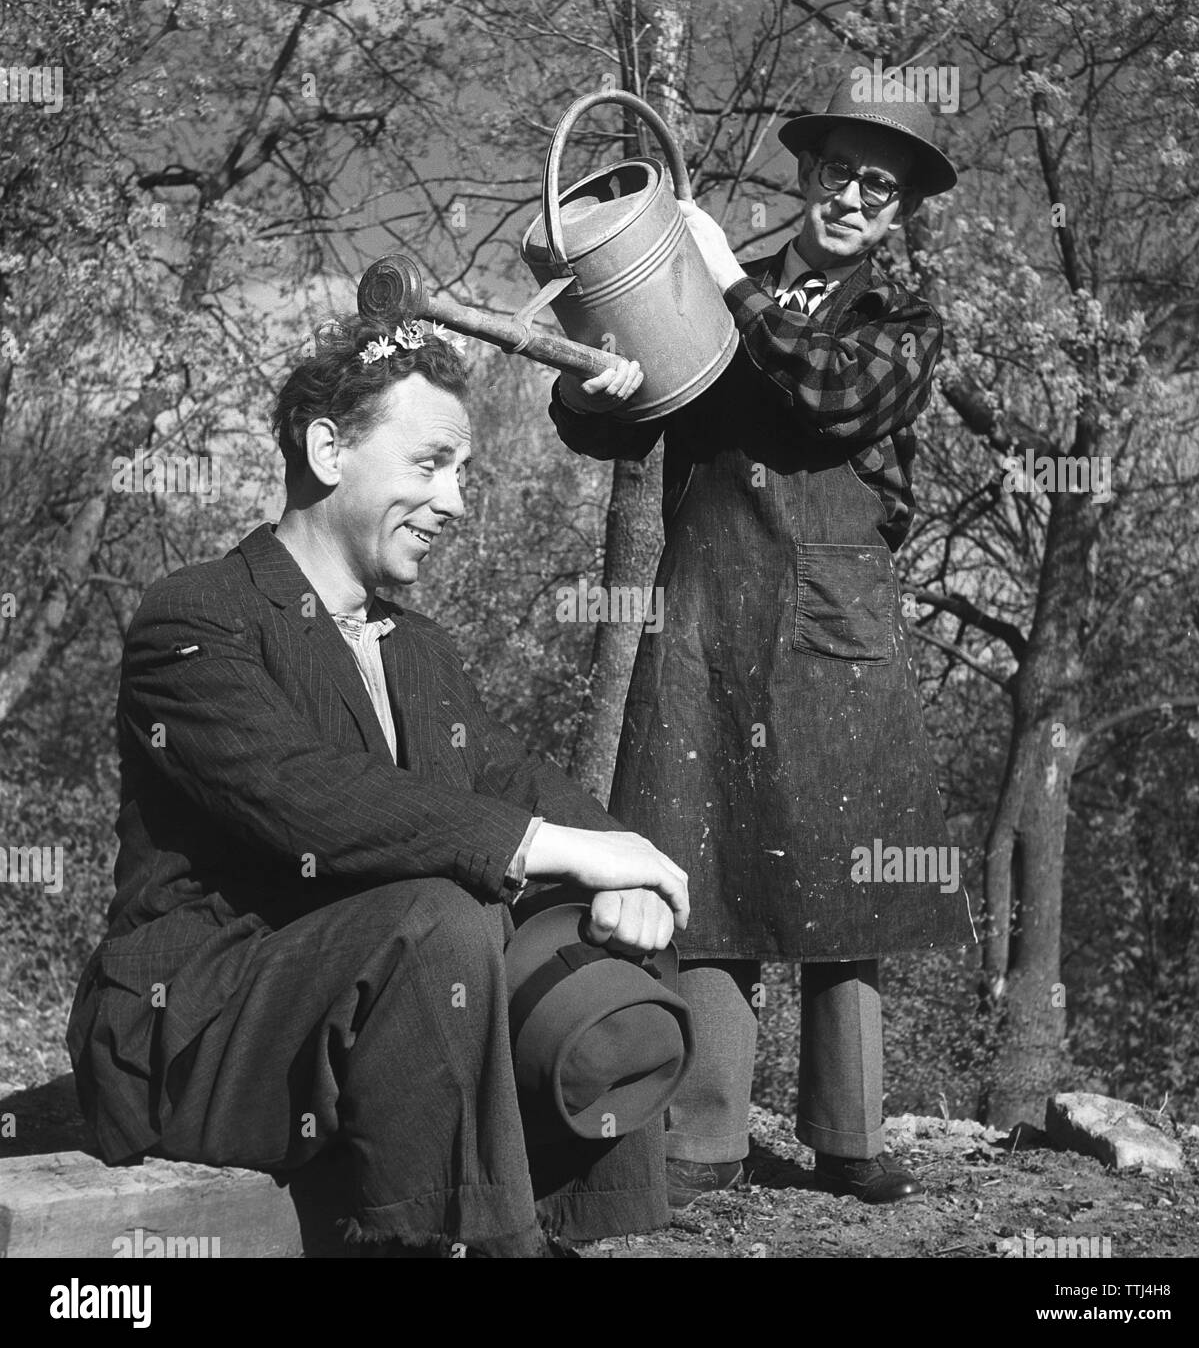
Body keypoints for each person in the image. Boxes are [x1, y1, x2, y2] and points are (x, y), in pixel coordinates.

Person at [66, 315, 689, 1258]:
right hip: (198, 1036)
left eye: (463, 473)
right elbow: (303, 794)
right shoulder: (198, 616)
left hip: (362, 1016)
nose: (456, 501)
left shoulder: (419, 647)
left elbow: (508, 775)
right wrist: (552, 847)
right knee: (440, 915)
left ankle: (557, 1230)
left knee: (602, 901)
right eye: (431, 464)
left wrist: (626, 864)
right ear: (328, 450)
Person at [550, 85, 976, 1208]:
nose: (849, 196)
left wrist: (728, 283)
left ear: (898, 217)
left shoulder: (905, 321)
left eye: (875, 187)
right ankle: (703, 1138)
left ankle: (849, 1138)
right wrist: (590, 388)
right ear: (807, 179)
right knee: (703, 859)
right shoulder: (704, 271)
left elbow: (831, 397)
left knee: (850, 879)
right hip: (702, 600)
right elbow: (627, 407)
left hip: (837, 610)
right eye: (835, 172)